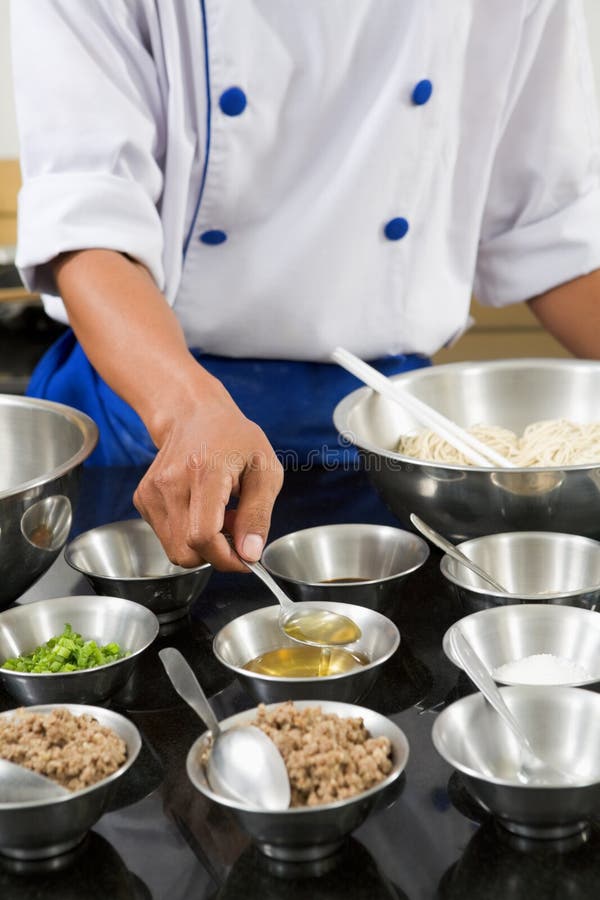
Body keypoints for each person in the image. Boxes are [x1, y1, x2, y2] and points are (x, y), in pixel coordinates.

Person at [10, 0, 600, 573]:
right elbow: (88, 224)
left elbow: (550, 228)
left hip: (388, 445)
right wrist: (188, 409)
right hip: (157, 415)